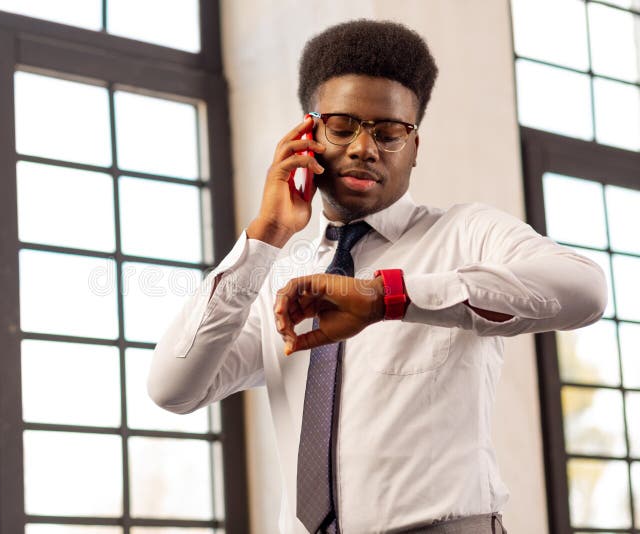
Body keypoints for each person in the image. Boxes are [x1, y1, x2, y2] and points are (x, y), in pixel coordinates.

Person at [148, 19, 606, 534]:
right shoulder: (280, 276)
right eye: (342, 126)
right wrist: (266, 235)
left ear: (414, 147)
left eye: (388, 133)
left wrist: (388, 297)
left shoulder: (465, 232)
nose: (364, 148)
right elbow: (173, 387)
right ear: (308, 136)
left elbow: (585, 290)